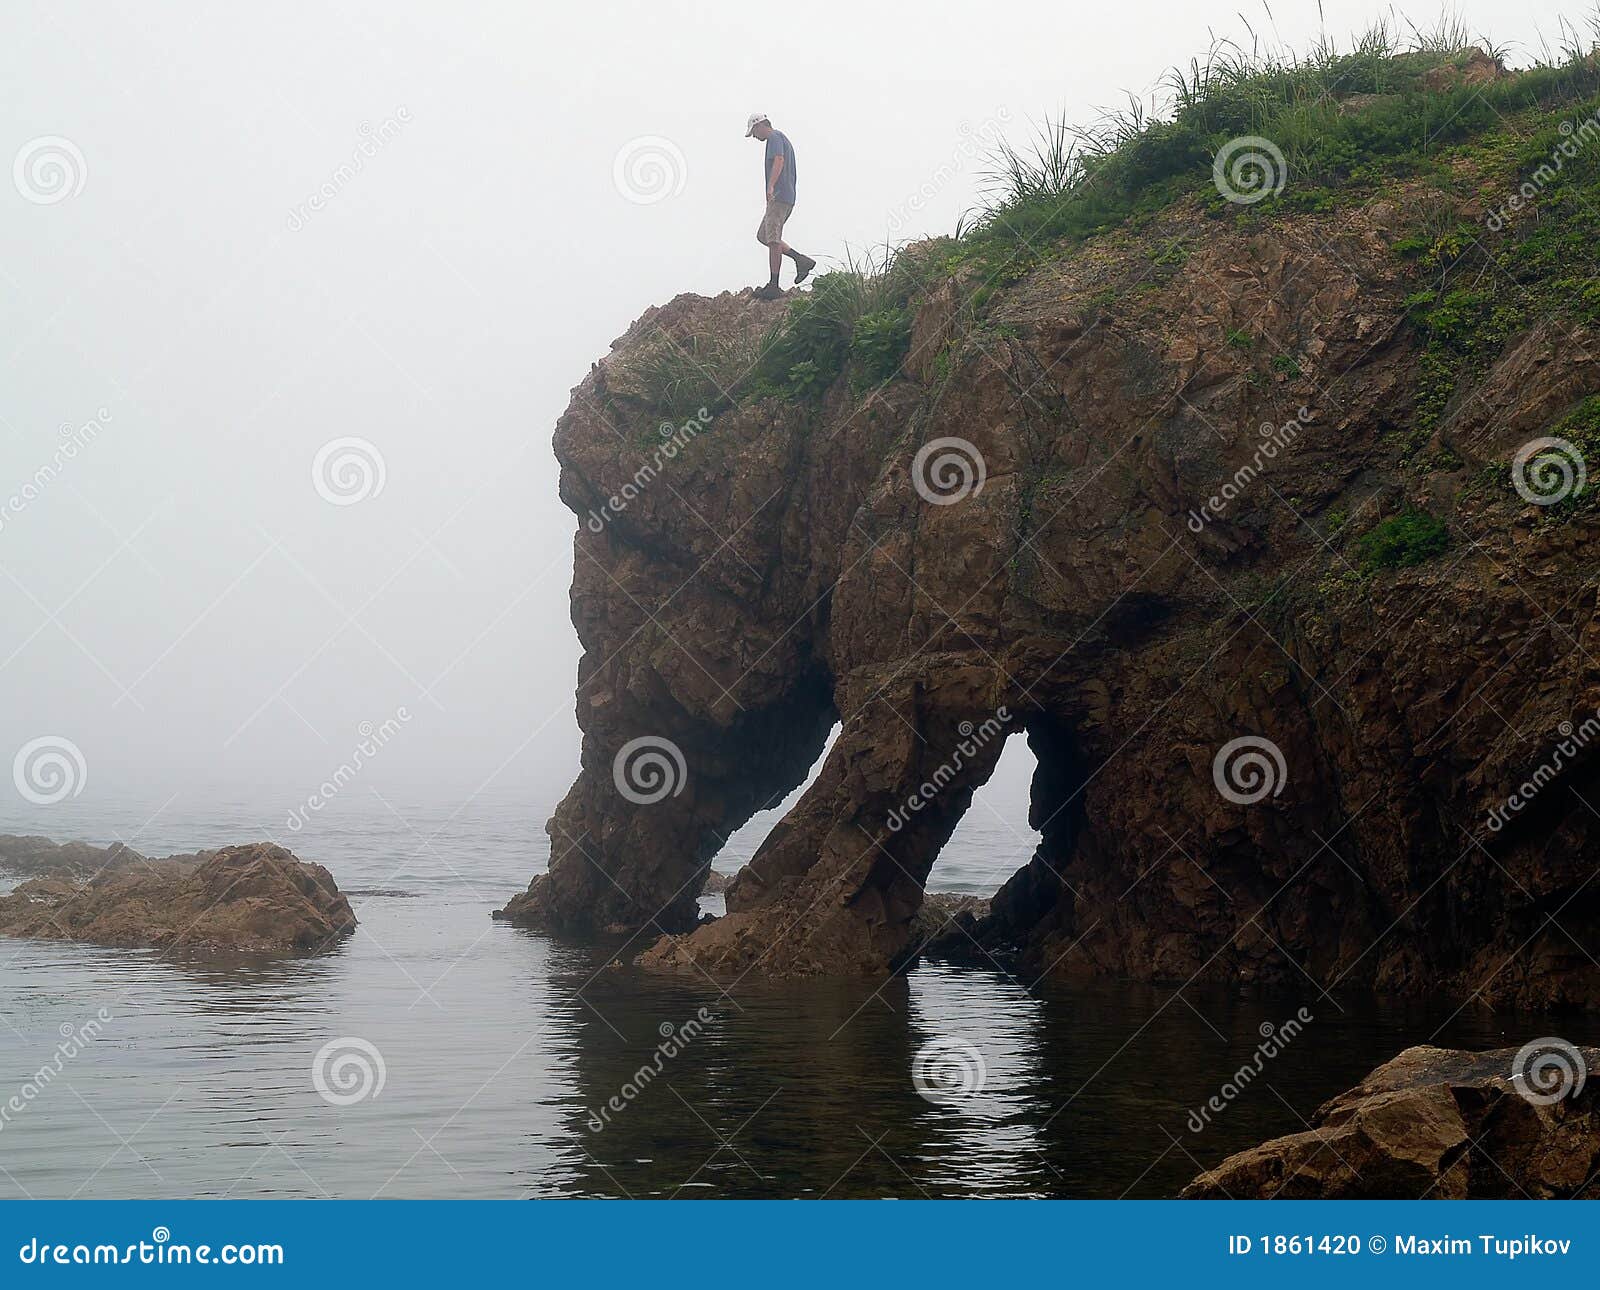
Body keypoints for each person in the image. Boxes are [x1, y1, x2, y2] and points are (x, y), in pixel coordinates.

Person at [745, 113, 815, 298]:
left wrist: (771, 185)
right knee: (764, 235)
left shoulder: (774, 137)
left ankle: (774, 285)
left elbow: (779, 159)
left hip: (779, 196)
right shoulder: (780, 138)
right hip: (785, 197)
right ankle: (801, 260)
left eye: (754, 132)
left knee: (773, 239)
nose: (754, 136)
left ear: (760, 125)